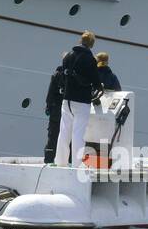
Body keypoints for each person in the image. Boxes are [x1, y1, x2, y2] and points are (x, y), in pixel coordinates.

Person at [55, 31, 103, 167]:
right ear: (91, 44)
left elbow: (62, 76)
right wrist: (100, 86)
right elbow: (95, 80)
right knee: (78, 133)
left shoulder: (68, 56)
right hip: (81, 101)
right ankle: (77, 164)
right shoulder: (90, 59)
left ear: (80, 41)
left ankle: (60, 162)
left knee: (64, 131)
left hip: (67, 99)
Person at [43, 50, 70, 163]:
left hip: (56, 111)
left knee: (53, 136)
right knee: (67, 138)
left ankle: (49, 160)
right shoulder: (71, 75)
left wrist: (48, 107)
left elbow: (50, 94)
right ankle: (67, 160)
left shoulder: (57, 74)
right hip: (68, 111)